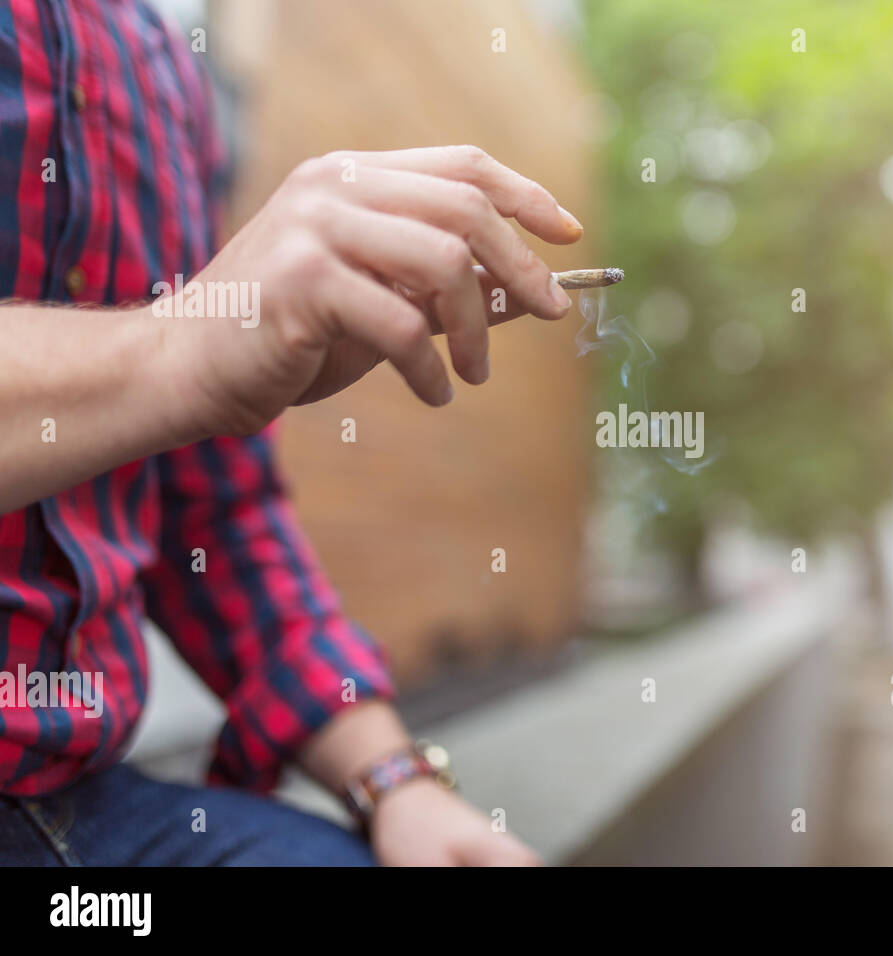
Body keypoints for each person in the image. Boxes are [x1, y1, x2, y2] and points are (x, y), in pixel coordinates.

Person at [0, 0, 579, 865]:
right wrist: (176, 348)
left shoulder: (157, 66)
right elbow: (179, 366)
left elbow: (213, 501)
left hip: (77, 813)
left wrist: (392, 778)